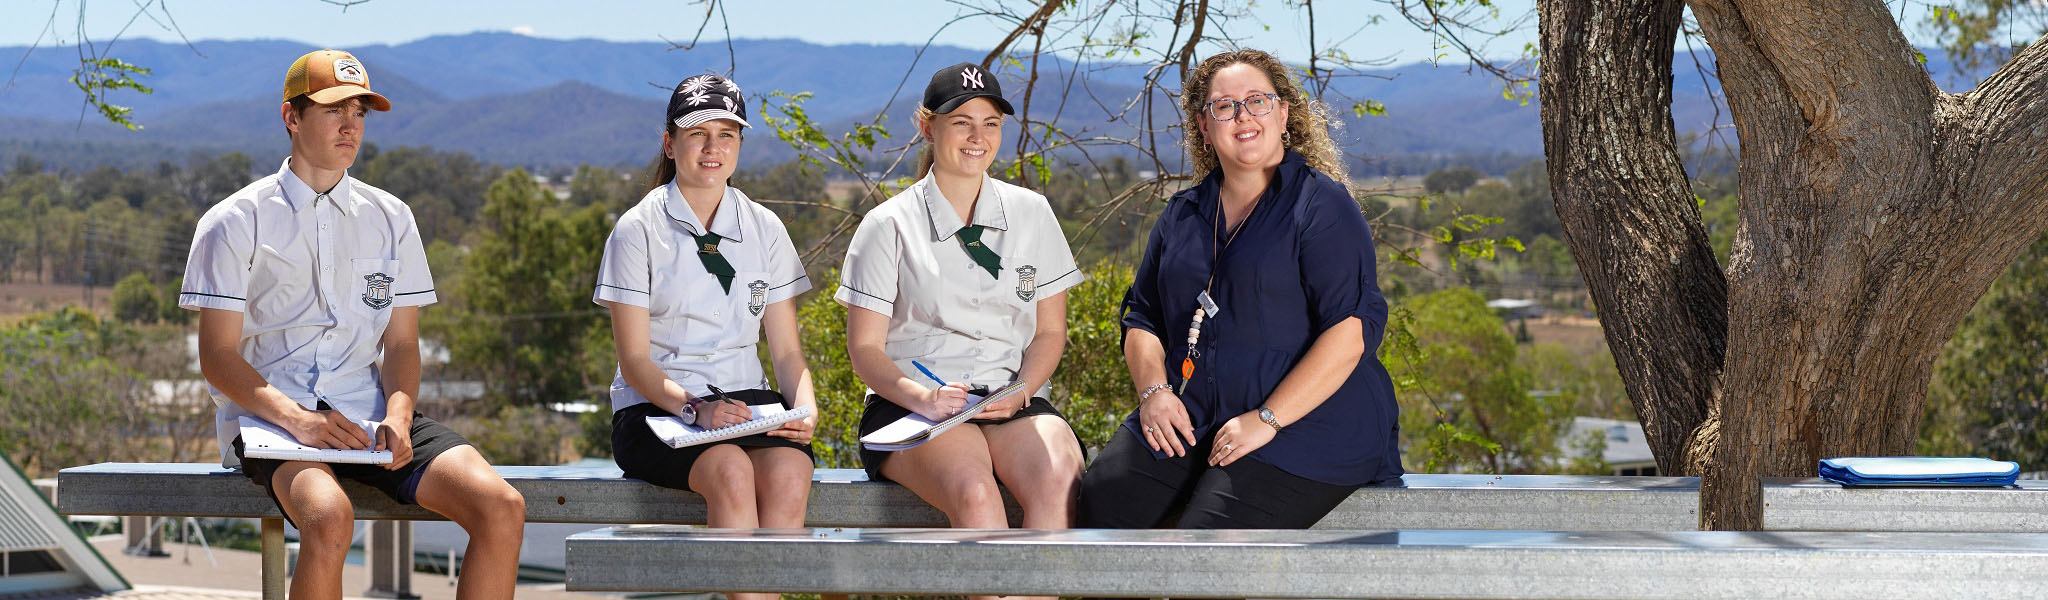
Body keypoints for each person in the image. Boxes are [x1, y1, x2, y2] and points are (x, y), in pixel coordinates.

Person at [179, 50, 525, 600]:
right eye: (333, 108)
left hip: (369, 413)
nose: (351, 125)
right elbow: (217, 357)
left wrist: (399, 413)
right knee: (330, 519)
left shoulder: (391, 216)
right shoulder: (234, 221)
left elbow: (404, 343)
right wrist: (300, 422)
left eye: (360, 111)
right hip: (272, 422)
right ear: (292, 117)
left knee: (501, 507)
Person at [1077, 49, 1403, 531]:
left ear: (1284, 113)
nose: (1243, 115)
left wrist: (1267, 419)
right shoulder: (1182, 215)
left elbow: (1348, 335)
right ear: (1204, 126)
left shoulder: (1321, 205)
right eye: (1224, 106)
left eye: (1257, 101)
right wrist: (1154, 393)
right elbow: (1141, 319)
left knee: (1207, 545)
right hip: (1194, 415)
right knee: (1101, 506)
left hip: (1305, 427)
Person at [836, 62, 1087, 538]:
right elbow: (865, 350)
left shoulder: (1032, 214)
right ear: (927, 127)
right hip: (912, 404)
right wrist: (925, 399)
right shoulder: (888, 225)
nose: (978, 137)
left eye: (990, 123)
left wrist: (1023, 388)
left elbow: (1051, 331)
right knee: (975, 492)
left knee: (1059, 480)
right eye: (961, 122)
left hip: (1010, 396)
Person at [595, 75, 818, 586]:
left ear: (740, 144)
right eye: (698, 134)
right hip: (659, 408)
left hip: (746, 406)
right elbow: (635, 362)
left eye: (727, 134)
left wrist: (805, 409)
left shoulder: (765, 227)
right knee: (732, 472)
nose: (712, 148)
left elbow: (786, 352)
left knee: (790, 473)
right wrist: (698, 410)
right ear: (670, 144)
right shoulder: (638, 229)